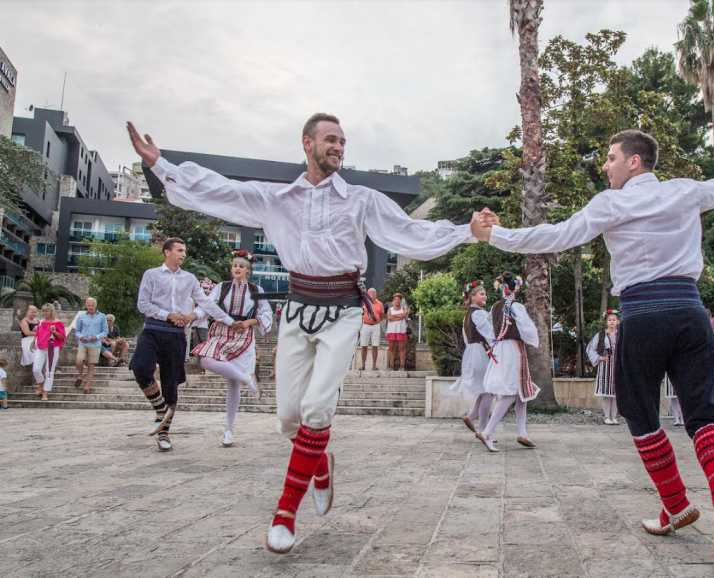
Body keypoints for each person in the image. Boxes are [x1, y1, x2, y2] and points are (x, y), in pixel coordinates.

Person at [127, 114, 478, 554]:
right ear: (307, 144)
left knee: (316, 407)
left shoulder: (361, 199)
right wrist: (161, 165)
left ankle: (285, 514)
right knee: (287, 419)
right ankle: (319, 464)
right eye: (331, 139)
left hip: (344, 311)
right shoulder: (276, 198)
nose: (339, 147)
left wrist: (467, 231)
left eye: (343, 141)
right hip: (297, 309)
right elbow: (221, 191)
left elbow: (409, 232)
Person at [474, 130, 714, 572]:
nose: (605, 165)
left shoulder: (610, 203)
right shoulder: (684, 191)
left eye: (611, 157)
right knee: (703, 415)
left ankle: (676, 505)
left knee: (639, 414)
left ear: (634, 162)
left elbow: (555, 235)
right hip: (692, 312)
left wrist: (495, 235)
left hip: (643, 313)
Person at [129, 237, 237, 452]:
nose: (183, 254)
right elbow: (143, 304)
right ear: (166, 252)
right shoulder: (151, 274)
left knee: (171, 383)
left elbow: (205, 304)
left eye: (184, 251)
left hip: (176, 334)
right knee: (141, 367)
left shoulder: (189, 278)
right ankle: (161, 409)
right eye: (179, 250)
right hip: (153, 328)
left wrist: (196, 316)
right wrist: (168, 314)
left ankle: (163, 433)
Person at [192, 250, 274, 447]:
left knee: (232, 383)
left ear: (248, 270)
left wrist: (247, 323)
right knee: (204, 358)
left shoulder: (256, 290)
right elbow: (208, 306)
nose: (237, 269)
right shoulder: (222, 287)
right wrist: (193, 316)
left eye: (241, 266)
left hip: (242, 334)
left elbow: (266, 314)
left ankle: (229, 429)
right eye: (235, 265)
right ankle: (248, 378)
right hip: (221, 331)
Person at [475, 272, 540, 451]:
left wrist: (495, 339)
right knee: (512, 391)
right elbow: (526, 326)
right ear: (515, 288)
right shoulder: (516, 306)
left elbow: (487, 325)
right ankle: (487, 431)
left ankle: (523, 432)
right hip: (513, 349)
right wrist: (533, 340)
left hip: (500, 349)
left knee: (521, 391)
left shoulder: (495, 306)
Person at [452, 281, 495, 434]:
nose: (485, 296)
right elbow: (490, 335)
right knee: (489, 390)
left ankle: (471, 417)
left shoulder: (467, 316)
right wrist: (500, 347)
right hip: (479, 353)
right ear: (472, 297)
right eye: (482, 294)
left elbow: (466, 338)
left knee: (485, 390)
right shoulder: (479, 314)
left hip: (470, 353)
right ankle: (483, 430)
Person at [587, 309, 620, 424]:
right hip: (605, 366)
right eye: (609, 320)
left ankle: (614, 417)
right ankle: (606, 417)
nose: (612, 322)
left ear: (618, 322)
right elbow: (591, 348)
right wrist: (599, 357)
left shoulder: (621, 334)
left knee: (616, 393)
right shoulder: (601, 335)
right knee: (606, 392)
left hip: (618, 366)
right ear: (606, 322)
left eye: (614, 320)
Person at [74, 297, 109, 394]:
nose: (90, 307)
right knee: (79, 360)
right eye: (88, 305)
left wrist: (97, 337)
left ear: (95, 305)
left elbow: (105, 331)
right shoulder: (81, 316)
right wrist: (80, 336)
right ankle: (80, 375)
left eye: (92, 305)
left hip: (95, 343)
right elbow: (77, 330)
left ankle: (87, 386)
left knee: (91, 365)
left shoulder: (102, 316)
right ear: (86, 305)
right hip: (83, 342)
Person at [31, 303, 66, 402]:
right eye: (43, 311)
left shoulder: (58, 322)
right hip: (41, 347)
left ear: (51, 311)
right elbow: (38, 333)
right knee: (36, 369)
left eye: (46, 311)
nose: (45, 313)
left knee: (49, 371)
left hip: (52, 348)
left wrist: (54, 332)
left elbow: (62, 336)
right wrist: (33, 341)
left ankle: (45, 392)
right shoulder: (41, 321)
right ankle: (41, 384)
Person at [359, 287, 384, 371]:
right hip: (365, 325)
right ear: (368, 294)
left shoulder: (379, 303)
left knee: (375, 345)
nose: (373, 294)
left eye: (374, 292)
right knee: (364, 345)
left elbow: (381, 315)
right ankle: (363, 365)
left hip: (375, 326)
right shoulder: (364, 303)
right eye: (371, 292)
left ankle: (374, 365)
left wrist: (376, 321)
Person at [385, 293, 409, 371]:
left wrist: (394, 316)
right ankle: (391, 366)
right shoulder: (390, 309)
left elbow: (404, 314)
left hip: (401, 330)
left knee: (402, 349)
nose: (397, 301)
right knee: (391, 349)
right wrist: (399, 317)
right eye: (395, 299)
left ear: (401, 301)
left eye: (398, 300)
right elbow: (389, 318)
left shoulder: (404, 308)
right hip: (391, 331)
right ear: (393, 301)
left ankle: (402, 366)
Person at [19, 306, 39, 371]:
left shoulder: (38, 320)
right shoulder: (24, 321)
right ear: (27, 312)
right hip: (27, 339)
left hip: (37, 338)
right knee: (32, 353)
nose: (33, 314)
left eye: (34, 312)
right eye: (31, 312)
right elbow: (26, 332)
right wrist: (37, 333)